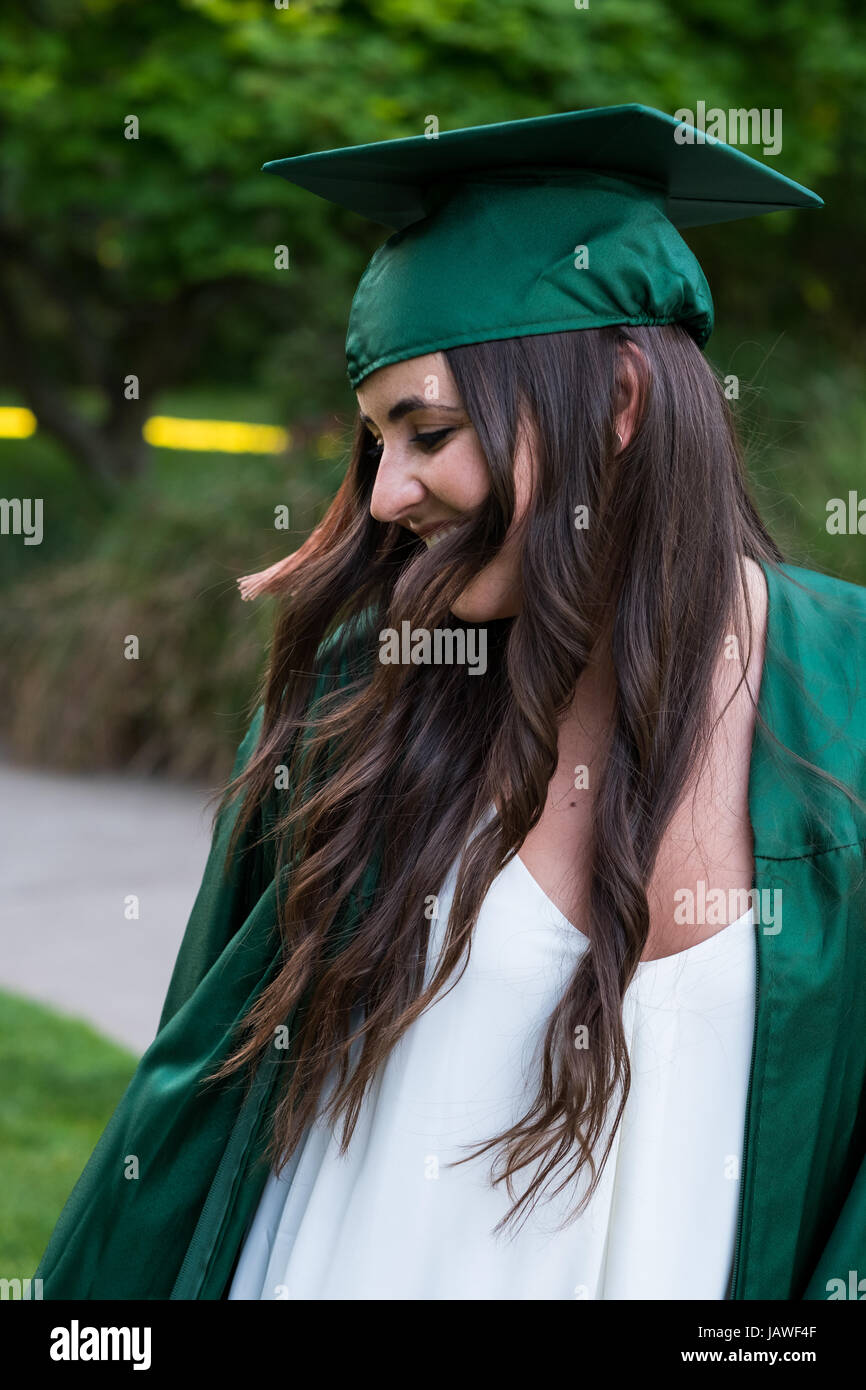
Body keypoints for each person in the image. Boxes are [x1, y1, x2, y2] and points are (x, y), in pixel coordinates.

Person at [35, 105, 866, 1301]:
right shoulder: (367, 693)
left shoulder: (844, 700)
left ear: (620, 406)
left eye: (427, 431)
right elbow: (190, 1102)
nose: (384, 494)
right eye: (373, 443)